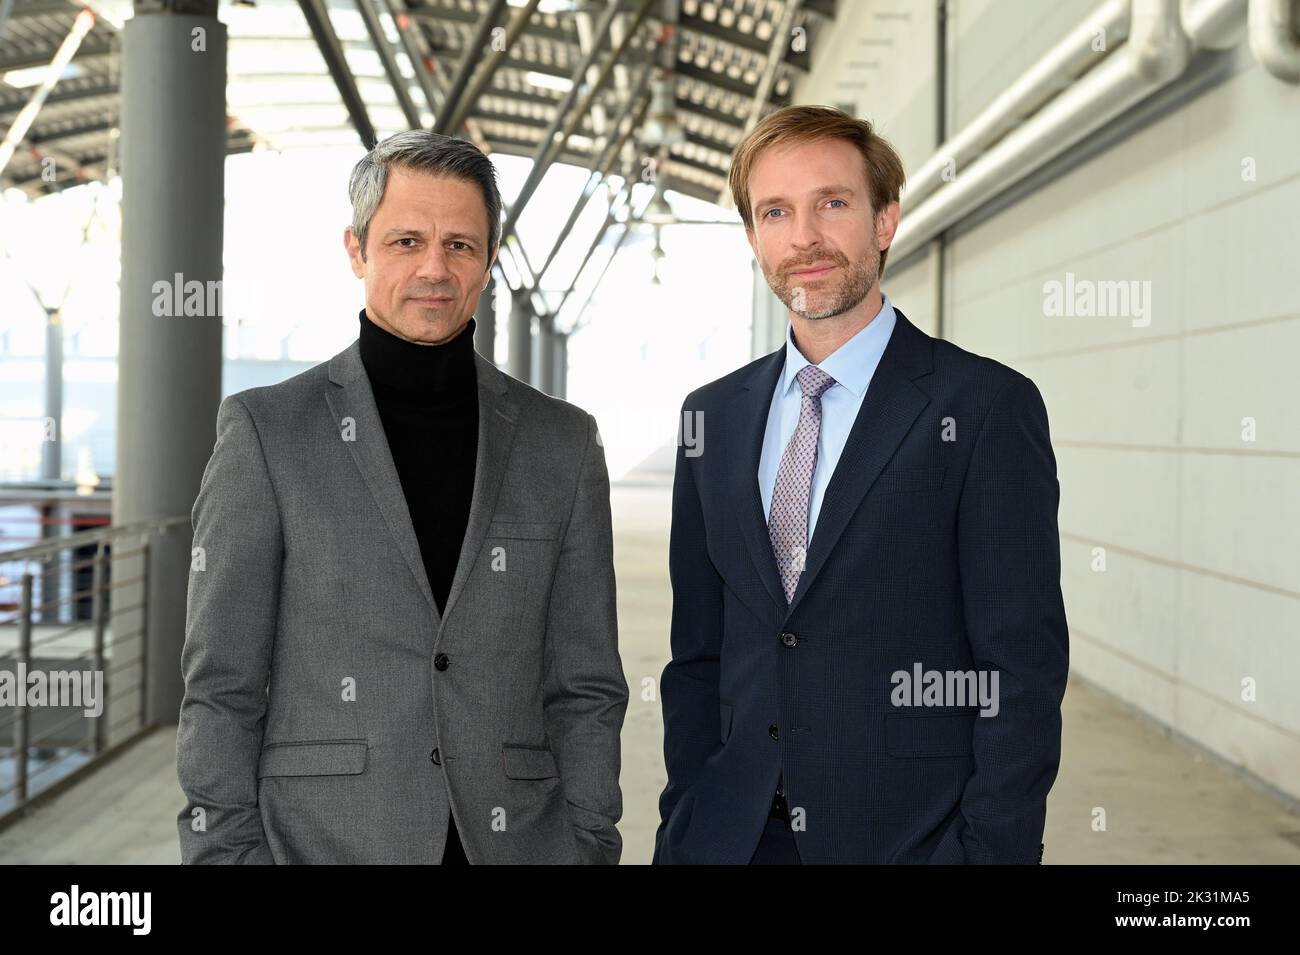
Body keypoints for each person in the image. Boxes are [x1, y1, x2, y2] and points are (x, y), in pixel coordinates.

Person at [176, 130, 627, 864]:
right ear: (356, 251)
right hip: (323, 844)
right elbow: (222, 684)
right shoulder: (268, 433)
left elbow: (587, 686)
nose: (434, 268)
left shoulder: (563, 443)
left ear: (488, 258)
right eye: (407, 240)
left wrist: (587, 842)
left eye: (460, 244)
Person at [654, 105, 1069, 864]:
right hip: (731, 833)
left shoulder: (982, 407)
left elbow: (1021, 671)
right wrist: (687, 812)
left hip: (906, 837)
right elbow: (697, 657)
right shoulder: (710, 417)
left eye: (832, 204)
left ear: (885, 220)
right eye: (776, 211)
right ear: (753, 240)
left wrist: (988, 852)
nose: (804, 237)